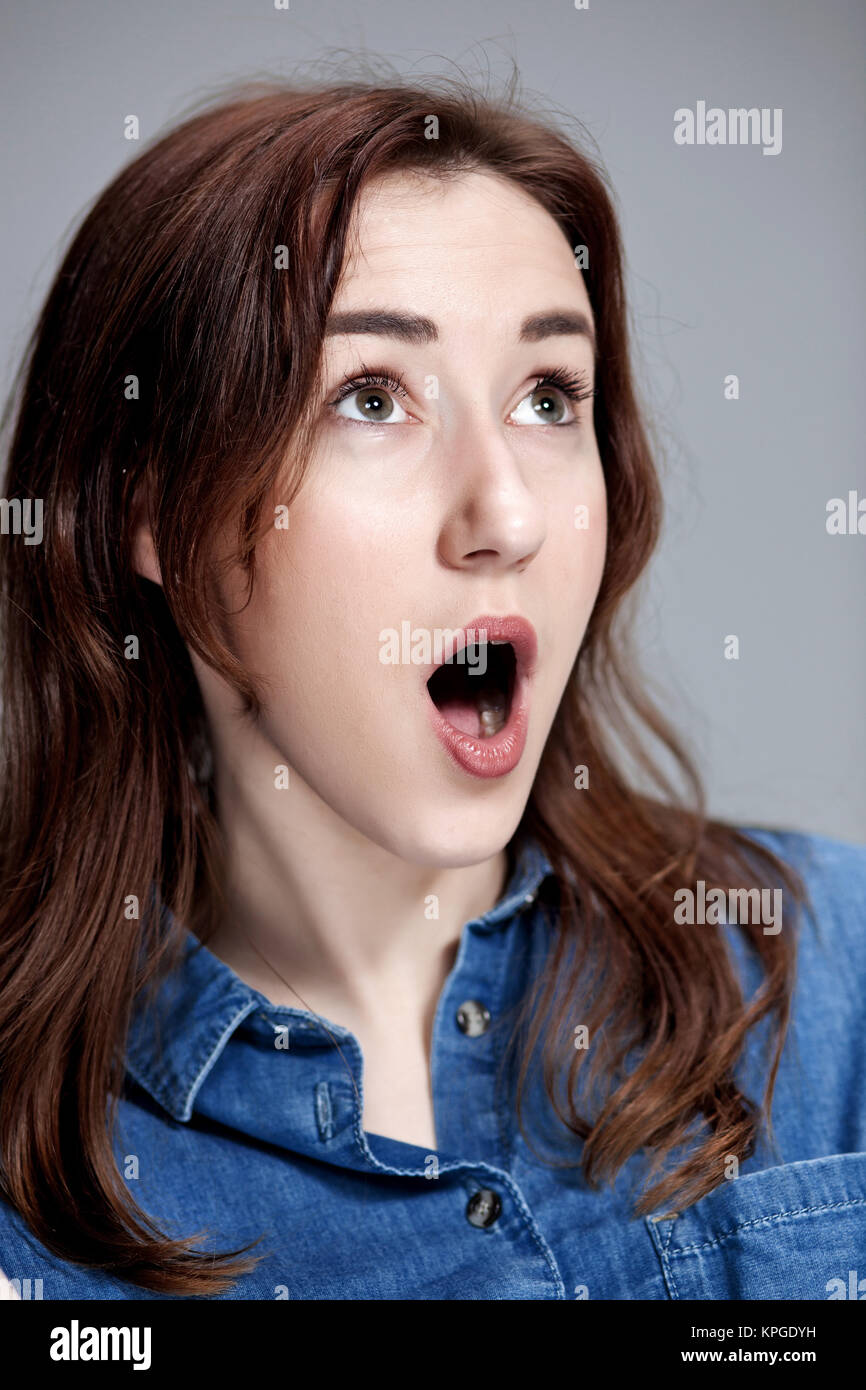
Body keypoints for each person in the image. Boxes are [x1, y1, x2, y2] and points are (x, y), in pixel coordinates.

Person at [0, 74, 863, 1302]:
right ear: (150, 503)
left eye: (547, 396)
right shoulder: (35, 1229)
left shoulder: (834, 971)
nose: (505, 512)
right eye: (370, 397)